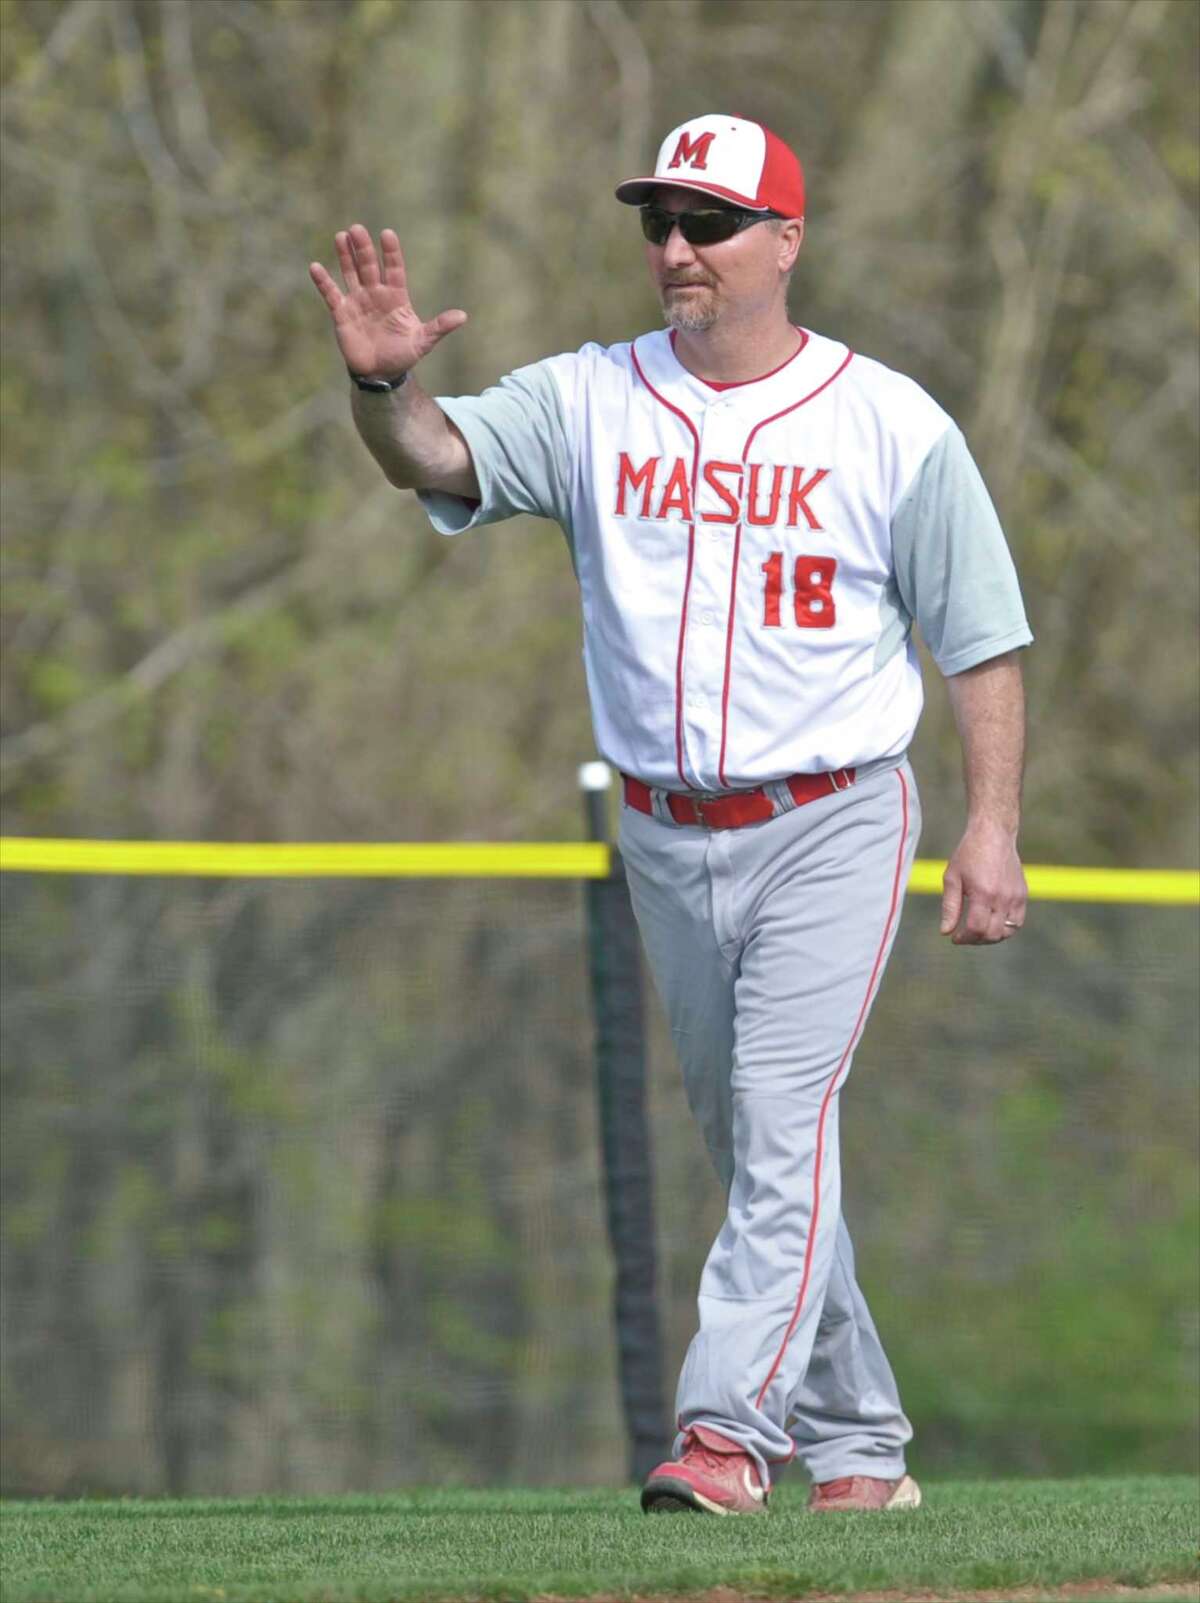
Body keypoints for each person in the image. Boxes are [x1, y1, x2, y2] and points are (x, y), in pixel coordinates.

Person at [309, 114, 1032, 1516]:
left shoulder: (888, 421)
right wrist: (379, 394)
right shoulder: (591, 397)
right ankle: (867, 1446)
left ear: (786, 242)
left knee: (778, 1121)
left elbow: (982, 639)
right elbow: (436, 457)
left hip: (834, 814)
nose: (677, 249)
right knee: (762, 1147)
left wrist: (991, 824)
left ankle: (721, 1434)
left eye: (708, 222)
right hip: (662, 830)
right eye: (658, 222)